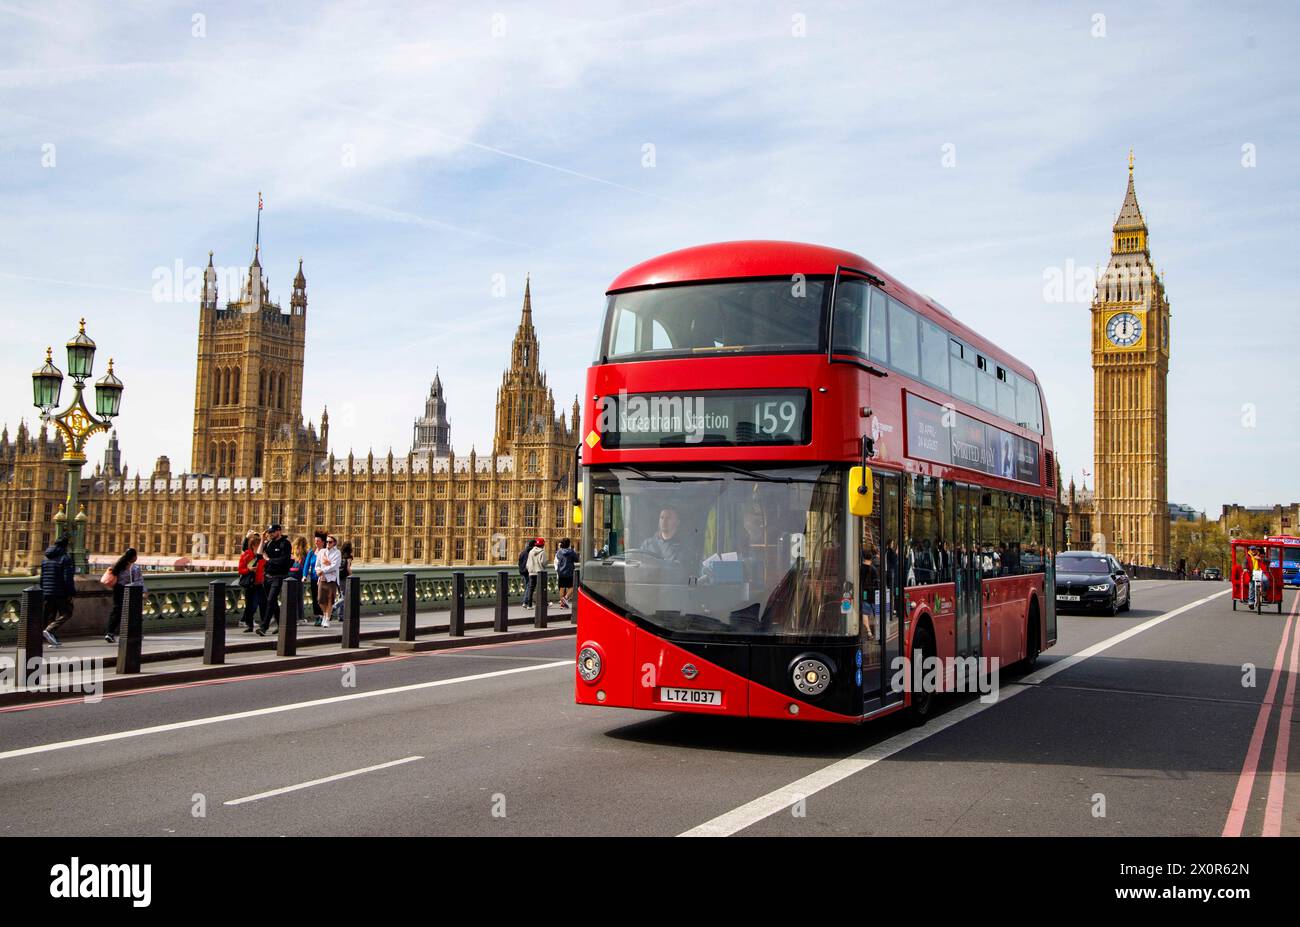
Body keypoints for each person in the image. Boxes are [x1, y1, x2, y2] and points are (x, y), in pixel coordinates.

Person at [39, 535, 76, 648]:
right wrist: (71, 592)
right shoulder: (65, 558)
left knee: (51, 615)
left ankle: (53, 640)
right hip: (60, 592)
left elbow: (42, 578)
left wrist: (43, 590)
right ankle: (50, 630)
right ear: (65, 546)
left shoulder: (46, 559)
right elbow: (67, 578)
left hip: (47, 592)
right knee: (67, 613)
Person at [257, 524, 293, 636]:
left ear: (279, 531)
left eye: (272, 532)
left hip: (279, 576)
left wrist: (268, 559)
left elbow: (284, 560)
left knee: (271, 600)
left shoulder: (285, 543)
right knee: (272, 603)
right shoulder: (269, 543)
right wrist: (262, 540)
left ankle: (264, 627)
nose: (270, 534)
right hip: (267, 576)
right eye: (269, 532)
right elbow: (259, 555)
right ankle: (281, 624)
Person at [103, 547, 143, 644]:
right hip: (130, 590)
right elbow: (139, 582)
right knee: (132, 612)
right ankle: (133, 632)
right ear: (134, 557)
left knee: (116, 611)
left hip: (117, 589)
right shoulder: (135, 568)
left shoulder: (119, 564)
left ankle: (110, 633)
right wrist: (144, 592)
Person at [237, 530, 266, 633]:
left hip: (259, 583)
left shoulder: (262, 556)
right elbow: (240, 570)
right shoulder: (246, 555)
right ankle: (249, 625)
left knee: (263, 604)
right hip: (250, 584)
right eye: (259, 545)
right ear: (254, 545)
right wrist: (249, 570)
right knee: (250, 606)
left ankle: (263, 625)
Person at [316, 534, 341, 628]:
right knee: (320, 600)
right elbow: (317, 564)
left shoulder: (337, 552)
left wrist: (323, 570)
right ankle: (325, 614)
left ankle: (327, 618)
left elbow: (334, 566)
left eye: (330, 542)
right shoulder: (322, 552)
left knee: (330, 600)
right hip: (322, 578)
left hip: (332, 579)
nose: (327, 543)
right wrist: (318, 571)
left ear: (334, 543)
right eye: (326, 541)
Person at [332, 540, 353, 622]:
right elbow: (348, 568)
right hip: (344, 577)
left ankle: (340, 616)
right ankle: (334, 606)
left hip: (337, 577)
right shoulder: (349, 557)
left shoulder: (339, 554)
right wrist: (352, 575)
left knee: (341, 596)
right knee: (345, 597)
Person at [554, 537, 577, 609]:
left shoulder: (559, 552)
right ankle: (566, 598)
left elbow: (557, 560)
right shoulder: (571, 552)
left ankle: (562, 604)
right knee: (572, 587)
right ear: (569, 544)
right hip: (569, 572)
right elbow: (576, 559)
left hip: (561, 572)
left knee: (562, 588)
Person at [526, 538, 547, 608]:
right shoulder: (542, 552)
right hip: (540, 572)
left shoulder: (531, 551)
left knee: (531, 588)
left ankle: (529, 605)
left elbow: (528, 563)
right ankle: (542, 604)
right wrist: (543, 567)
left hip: (531, 572)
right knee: (541, 588)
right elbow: (543, 562)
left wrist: (529, 569)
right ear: (543, 544)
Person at [519, 538, 537, 607]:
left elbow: (519, 562)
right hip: (529, 571)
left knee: (528, 586)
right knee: (529, 587)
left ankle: (531, 600)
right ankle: (525, 602)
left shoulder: (522, 552)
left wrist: (521, 571)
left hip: (523, 571)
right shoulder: (532, 552)